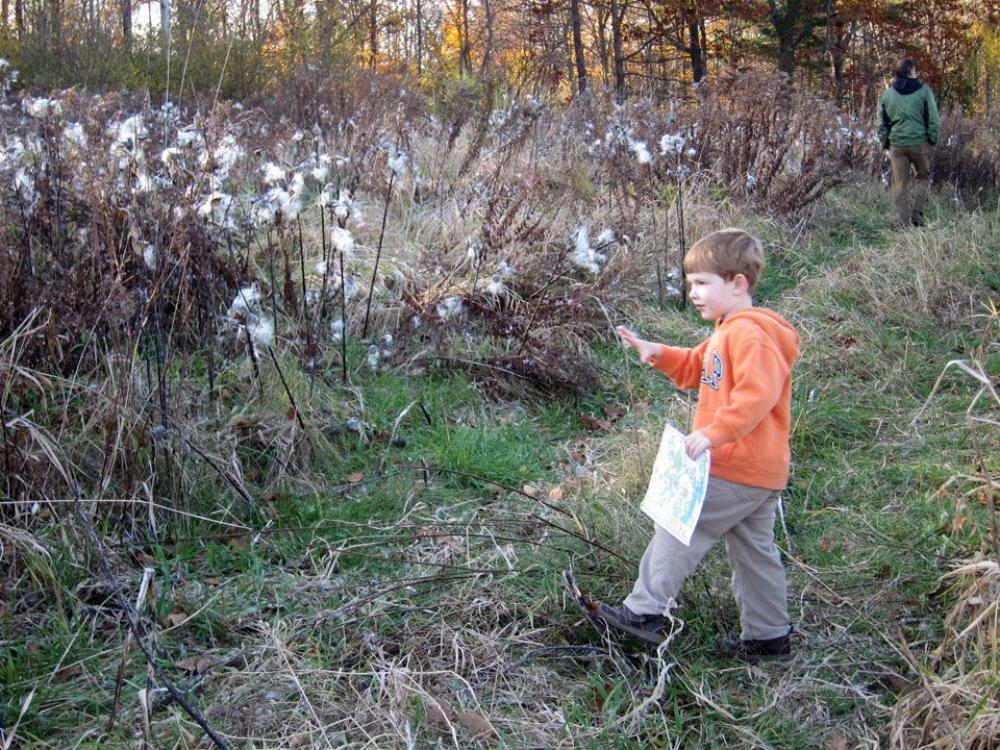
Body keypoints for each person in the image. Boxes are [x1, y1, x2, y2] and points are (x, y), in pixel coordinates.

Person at [600, 228, 800, 659]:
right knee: (754, 552)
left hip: (733, 463)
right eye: (691, 283)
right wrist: (658, 352)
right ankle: (768, 635)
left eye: (703, 283)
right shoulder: (727, 332)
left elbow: (756, 394)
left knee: (678, 523)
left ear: (738, 284)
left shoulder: (750, 334)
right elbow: (697, 365)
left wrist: (714, 432)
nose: (693, 293)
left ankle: (646, 611)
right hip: (757, 471)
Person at [877, 57, 940, 228]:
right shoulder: (924, 91)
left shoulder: (887, 94)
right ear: (911, 71)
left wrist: (885, 143)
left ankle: (904, 224)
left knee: (899, 184)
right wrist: (932, 139)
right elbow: (934, 119)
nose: (916, 73)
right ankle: (917, 218)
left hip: (897, 145)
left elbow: (881, 124)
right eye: (915, 70)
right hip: (919, 143)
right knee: (923, 178)